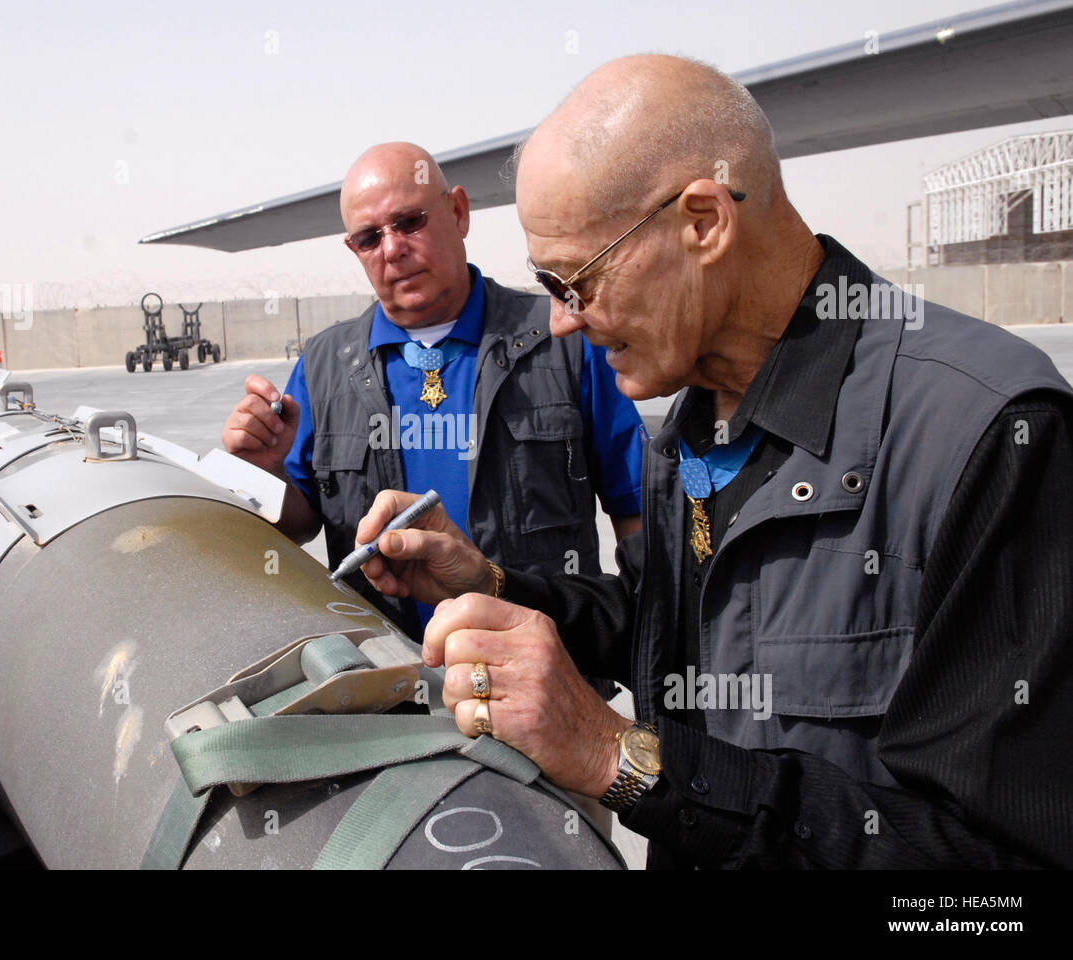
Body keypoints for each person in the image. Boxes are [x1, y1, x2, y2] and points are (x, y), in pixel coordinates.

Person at [353, 56, 1073, 868]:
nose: (560, 321)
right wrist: (490, 585)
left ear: (702, 221)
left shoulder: (987, 437)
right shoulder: (698, 422)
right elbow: (682, 634)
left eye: (576, 281)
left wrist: (626, 762)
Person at [222, 142, 647, 643]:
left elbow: (636, 508)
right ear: (354, 249)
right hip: (389, 694)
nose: (393, 248)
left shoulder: (563, 341)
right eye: (368, 237)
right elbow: (298, 524)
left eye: (409, 222)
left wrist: (646, 647)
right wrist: (265, 470)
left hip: (536, 681)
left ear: (459, 212)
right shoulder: (322, 367)